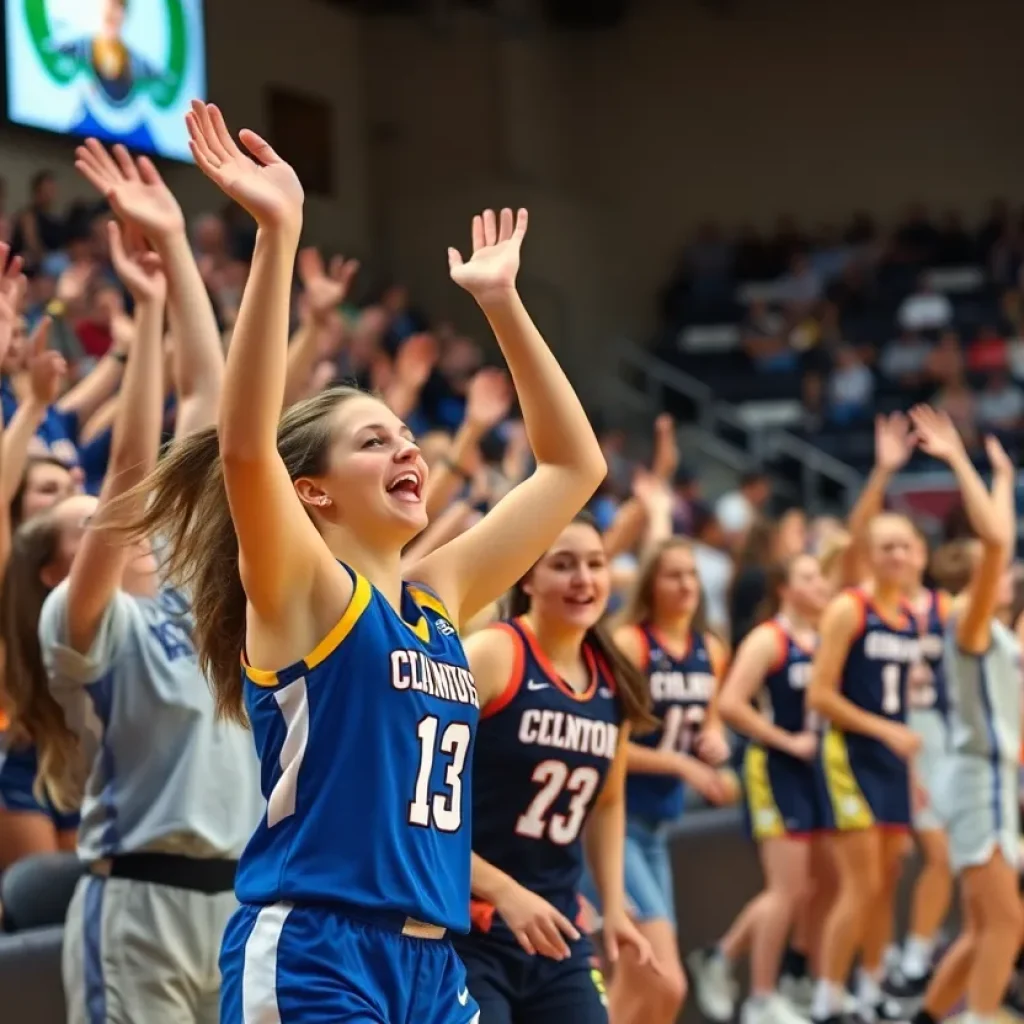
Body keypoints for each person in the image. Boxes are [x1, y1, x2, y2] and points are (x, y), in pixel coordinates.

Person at [124, 103, 606, 1023]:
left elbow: (573, 466)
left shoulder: (436, 595)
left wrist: (503, 303)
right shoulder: (306, 595)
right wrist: (279, 233)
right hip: (315, 947)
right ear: (313, 491)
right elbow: (244, 449)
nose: (407, 452)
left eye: (407, 437)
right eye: (373, 443)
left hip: (432, 961)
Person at [17, 139, 261, 1024]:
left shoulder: (191, 590)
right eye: (80, 530)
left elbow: (208, 403)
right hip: (140, 905)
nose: (109, 524)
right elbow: (128, 471)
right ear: (56, 567)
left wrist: (171, 272)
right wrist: (144, 327)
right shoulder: (81, 625)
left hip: (238, 898)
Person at [454, 514, 656, 1024]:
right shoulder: (494, 654)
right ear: (528, 577)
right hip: (468, 926)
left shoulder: (614, 677)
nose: (583, 579)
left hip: (556, 927)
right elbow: (416, 803)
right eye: (563, 565)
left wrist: (613, 905)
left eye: (595, 564)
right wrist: (502, 890)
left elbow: (608, 802)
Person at [905, 408, 1022, 1024]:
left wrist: (1002, 476)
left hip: (985, 776)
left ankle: (923, 1019)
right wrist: (958, 461)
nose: (1005, 571)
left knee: (981, 928)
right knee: (1007, 923)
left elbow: (1001, 534)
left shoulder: (995, 631)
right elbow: (1000, 539)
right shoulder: (969, 624)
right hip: (980, 777)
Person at [692, 553, 830, 1024]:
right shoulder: (769, 638)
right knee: (787, 889)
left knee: (807, 888)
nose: (821, 585)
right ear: (785, 589)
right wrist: (786, 739)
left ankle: (723, 956)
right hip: (772, 767)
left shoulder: (823, 638)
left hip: (813, 771)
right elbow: (730, 703)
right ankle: (761, 998)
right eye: (809, 576)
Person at [805, 512, 923, 1024]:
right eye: (886, 547)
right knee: (860, 883)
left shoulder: (912, 619)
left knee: (886, 878)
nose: (896, 556)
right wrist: (882, 729)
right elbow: (820, 694)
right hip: (850, 755)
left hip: (894, 761)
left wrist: (913, 772)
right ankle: (827, 998)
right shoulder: (848, 609)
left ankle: (871, 985)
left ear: (917, 552)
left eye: (904, 546)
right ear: (868, 555)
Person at [612, 537, 734, 1024]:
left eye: (691, 574)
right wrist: (682, 765)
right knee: (666, 982)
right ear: (650, 584)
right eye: (673, 575)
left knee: (637, 985)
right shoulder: (631, 644)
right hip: (615, 824)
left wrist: (715, 741)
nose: (686, 584)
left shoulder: (712, 649)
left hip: (660, 828)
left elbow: (712, 720)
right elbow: (607, 749)